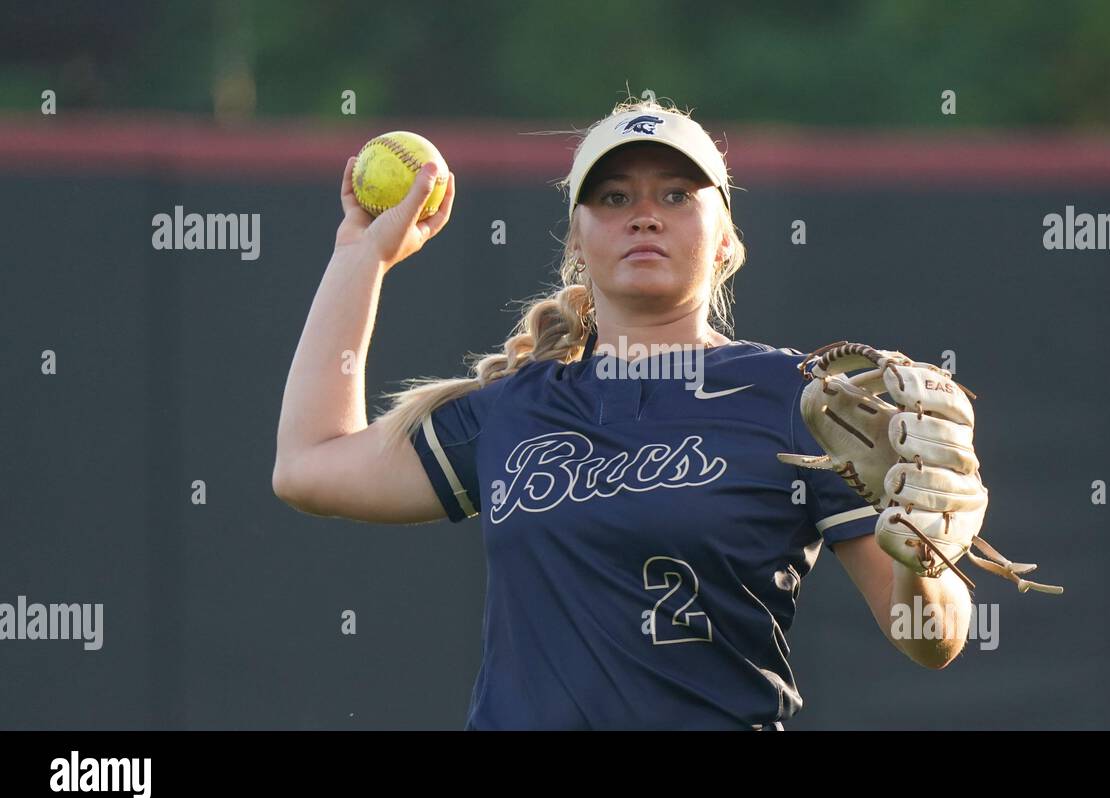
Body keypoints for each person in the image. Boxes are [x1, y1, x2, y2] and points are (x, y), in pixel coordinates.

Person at [273, 95, 972, 731]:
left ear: (725, 240)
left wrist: (923, 556)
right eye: (613, 196)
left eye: (676, 194)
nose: (644, 213)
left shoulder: (797, 398)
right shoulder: (517, 408)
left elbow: (928, 639)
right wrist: (359, 257)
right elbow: (308, 466)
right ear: (576, 242)